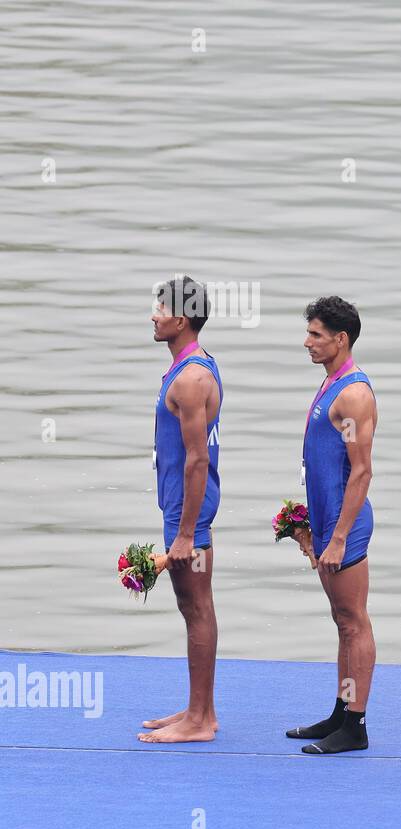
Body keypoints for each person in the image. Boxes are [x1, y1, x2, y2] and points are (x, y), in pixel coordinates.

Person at [285, 296, 378, 755]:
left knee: (354, 621)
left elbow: (361, 471)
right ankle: (341, 712)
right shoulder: (331, 385)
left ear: (341, 339)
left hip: (348, 526)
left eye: (316, 335)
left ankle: (355, 726)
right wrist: (308, 524)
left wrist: (339, 536)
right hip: (326, 521)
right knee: (341, 621)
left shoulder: (353, 394)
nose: (308, 342)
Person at [139, 276, 223, 744]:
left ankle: (200, 720)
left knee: (195, 606)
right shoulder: (193, 367)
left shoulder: (191, 379)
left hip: (189, 511)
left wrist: (186, 531)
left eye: (160, 307)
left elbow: (198, 458)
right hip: (183, 505)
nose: (153, 314)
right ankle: (199, 709)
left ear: (182, 318)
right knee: (193, 605)